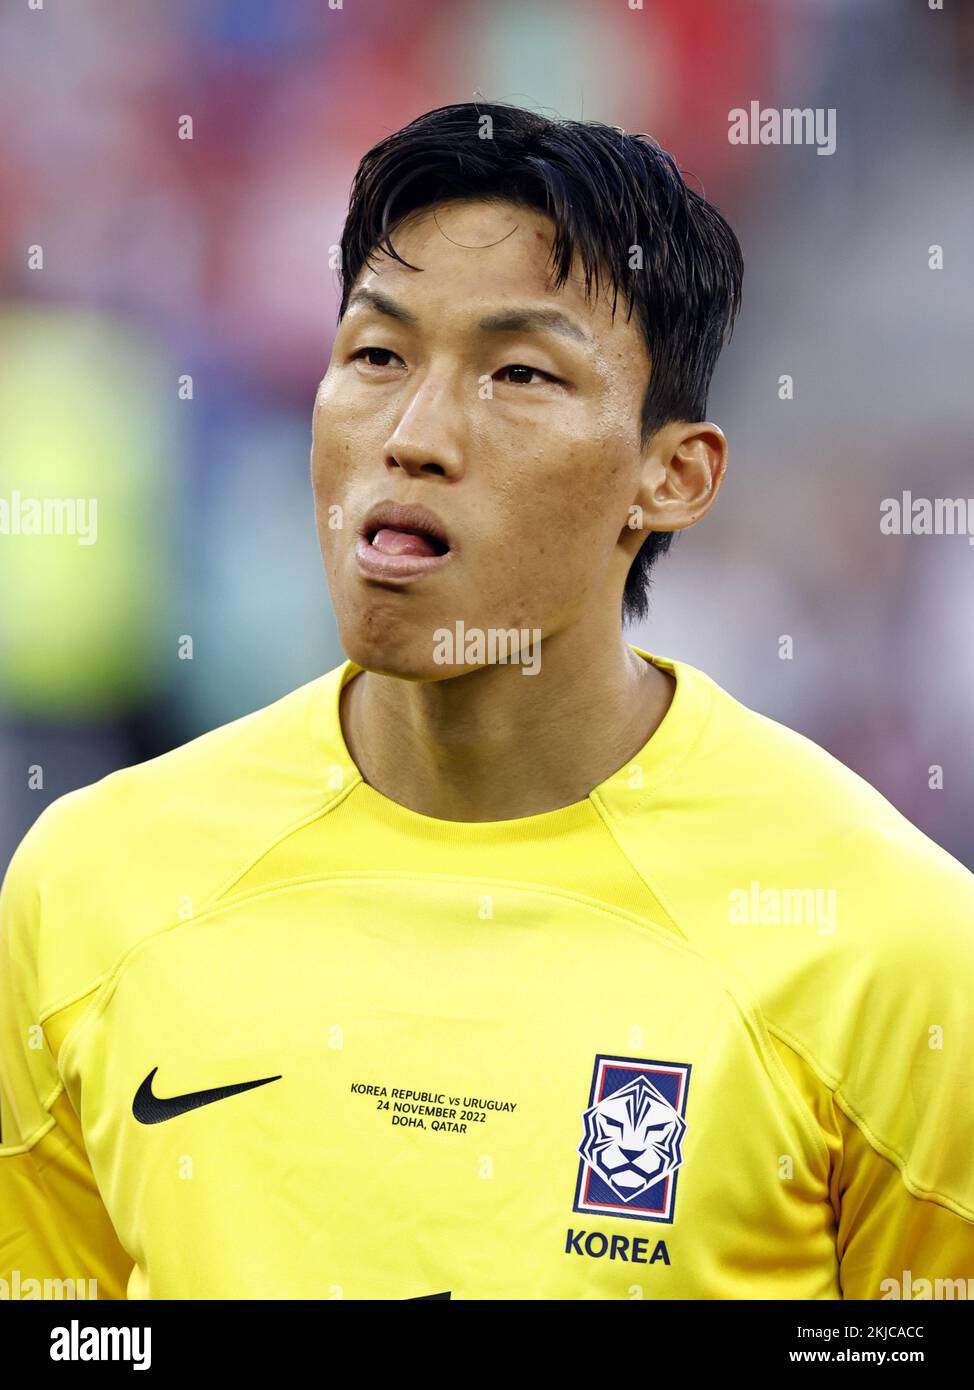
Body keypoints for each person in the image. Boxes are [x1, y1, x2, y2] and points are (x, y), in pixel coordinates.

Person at [2, 102, 972, 1301]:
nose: (411, 436)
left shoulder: (889, 942)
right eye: (374, 356)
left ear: (670, 477)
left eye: (518, 372)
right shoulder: (95, 881)